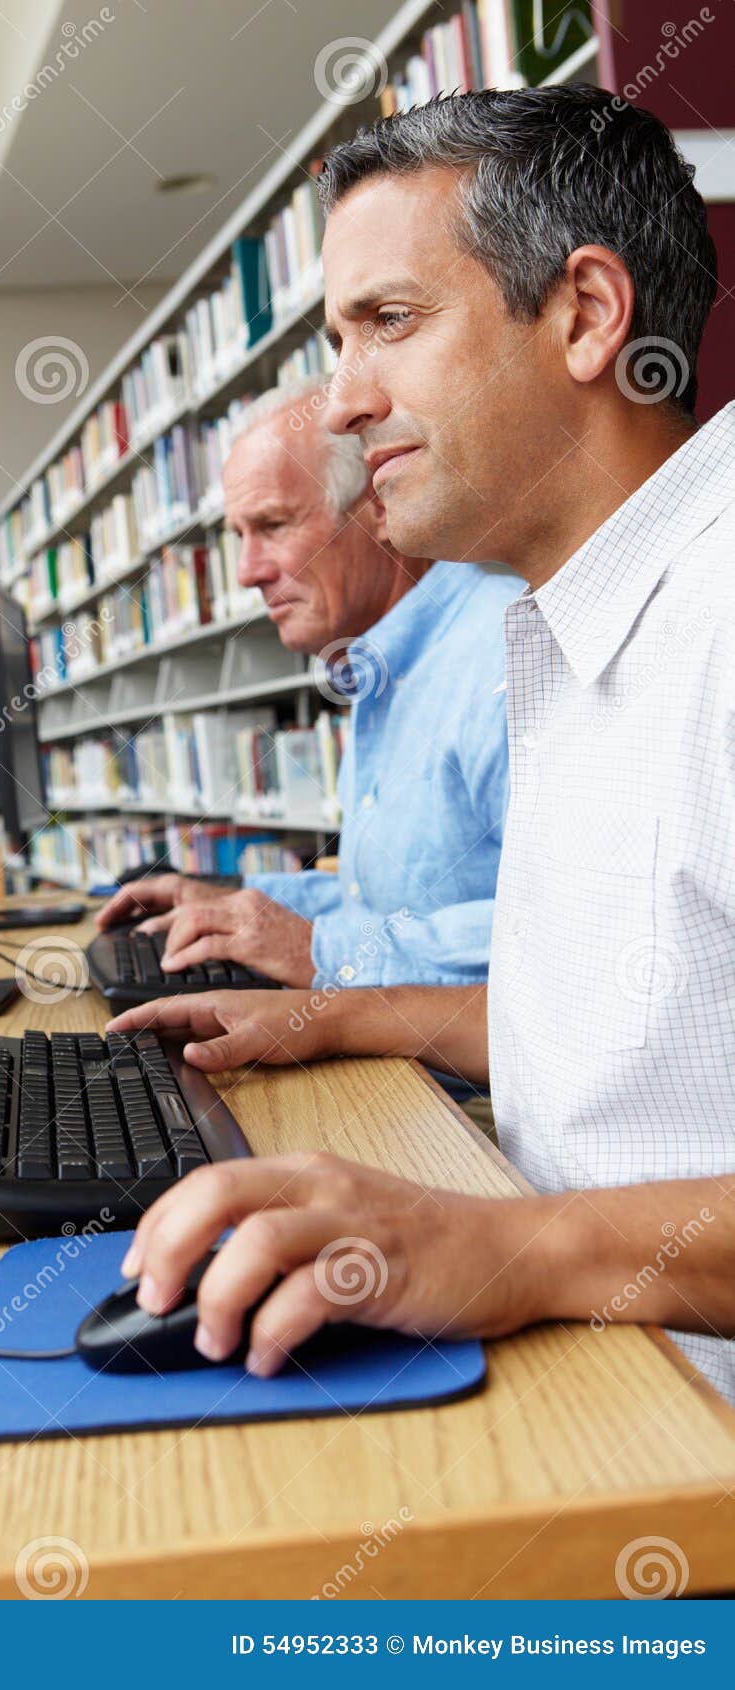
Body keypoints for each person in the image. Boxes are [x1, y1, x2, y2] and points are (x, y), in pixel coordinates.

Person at [109, 85, 735, 1403]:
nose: (338, 405)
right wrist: (325, 1016)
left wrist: (514, 1244)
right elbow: (621, 1036)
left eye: (384, 323)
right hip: (606, 1390)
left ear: (583, 314)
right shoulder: (570, 616)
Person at [97, 382, 519, 992]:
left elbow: (567, 929)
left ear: (379, 504)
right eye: (237, 537)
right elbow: (385, 906)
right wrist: (236, 901)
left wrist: (320, 948)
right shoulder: (378, 669)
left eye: (272, 525)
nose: (246, 572)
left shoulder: (503, 659)